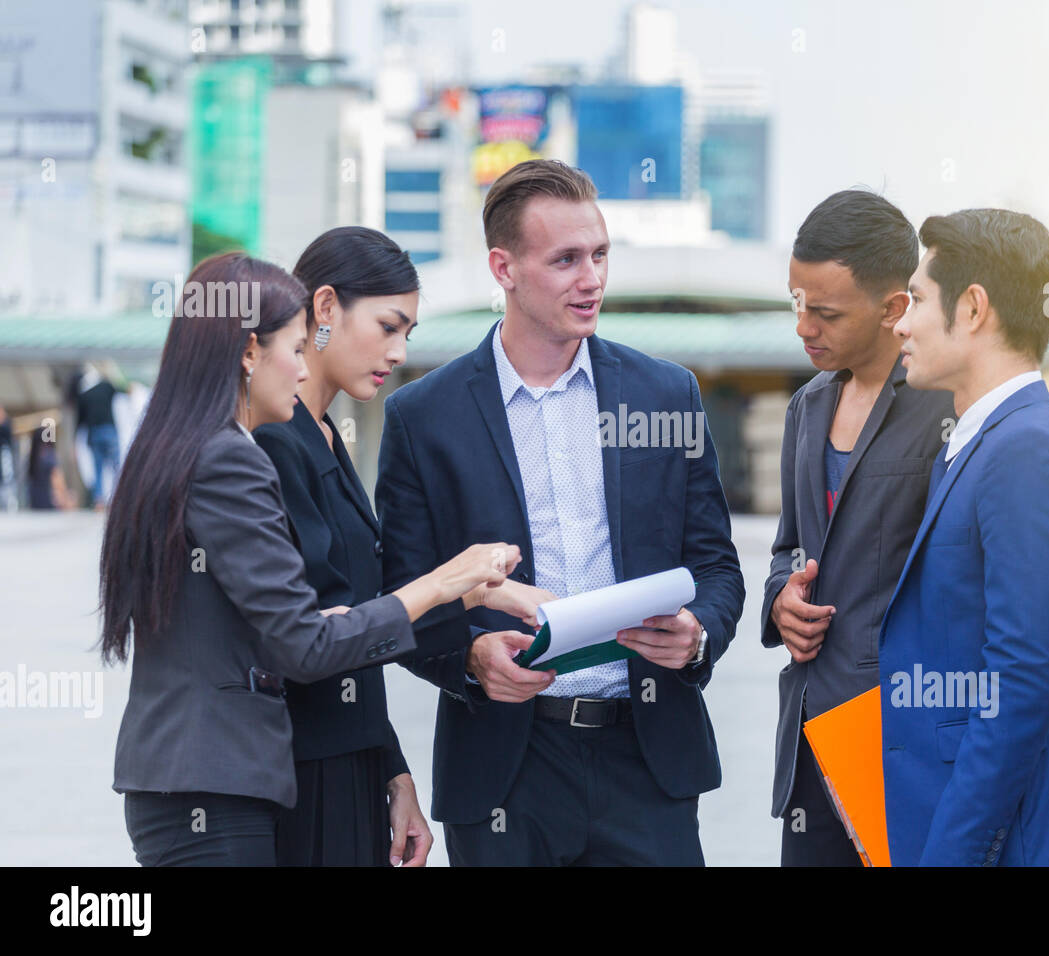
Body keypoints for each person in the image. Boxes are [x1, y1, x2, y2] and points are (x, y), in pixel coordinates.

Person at [376, 159, 746, 866]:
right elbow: (402, 591)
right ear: (503, 267)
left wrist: (699, 631)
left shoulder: (665, 396)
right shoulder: (426, 417)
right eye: (567, 259)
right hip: (504, 768)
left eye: (601, 255)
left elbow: (716, 564)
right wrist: (467, 659)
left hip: (647, 760)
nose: (593, 278)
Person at [100, 251, 524, 867]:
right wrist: (442, 583)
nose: (302, 372)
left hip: (198, 783)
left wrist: (467, 592)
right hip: (218, 787)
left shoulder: (182, 446)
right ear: (249, 352)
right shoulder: (230, 457)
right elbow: (307, 644)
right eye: (294, 350)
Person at [256, 226, 546, 867]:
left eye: (408, 334)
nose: (397, 351)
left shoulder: (325, 434)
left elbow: (364, 615)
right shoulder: (277, 441)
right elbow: (322, 633)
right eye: (388, 326)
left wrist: (392, 770)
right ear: (325, 309)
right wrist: (456, 581)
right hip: (300, 769)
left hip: (350, 758)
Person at [882, 208, 1049, 866]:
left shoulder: (1026, 451)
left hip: (1020, 838)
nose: (900, 322)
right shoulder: (981, 443)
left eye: (918, 299)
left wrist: (950, 854)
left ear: (972, 309)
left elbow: (1020, 683)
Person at [761, 190, 954, 866]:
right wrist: (781, 597)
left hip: (900, 740)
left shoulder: (943, 413)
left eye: (826, 312)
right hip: (812, 738)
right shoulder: (806, 408)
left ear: (894, 308)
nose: (803, 326)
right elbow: (790, 545)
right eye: (797, 303)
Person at [74, 362, 122, 509]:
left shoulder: (84, 395)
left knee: (98, 468)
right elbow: (121, 388)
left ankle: (99, 501)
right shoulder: (106, 387)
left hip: (94, 433)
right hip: (109, 431)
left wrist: (74, 442)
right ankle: (121, 496)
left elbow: (79, 422)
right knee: (116, 466)